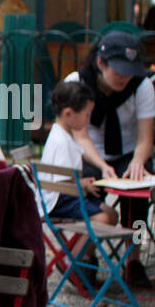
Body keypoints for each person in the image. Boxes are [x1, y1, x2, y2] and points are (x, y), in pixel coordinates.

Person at [62, 31, 155, 287]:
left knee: (140, 194)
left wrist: (138, 161)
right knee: (90, 188)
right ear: (101, 63)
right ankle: (88, 260)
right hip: (90, 152)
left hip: (127, 151)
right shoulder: (78, 82)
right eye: (119, 70)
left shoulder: (141, 85)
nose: (125, 76)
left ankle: (133, 259)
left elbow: (145, 137)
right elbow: (79, 135)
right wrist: (103, 166)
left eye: (130, 70)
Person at [36, 81, 119, 232]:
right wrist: (84, 184)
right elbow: (62, 181)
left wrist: (82, 182)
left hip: (65, 195)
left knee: (111, 215)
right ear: (68, 113)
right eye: (86, 114)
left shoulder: (64, 135)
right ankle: (75, 255)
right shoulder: (61, 141)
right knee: (103, 219)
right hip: (58, 200)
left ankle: (84, 254)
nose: (88, 119)